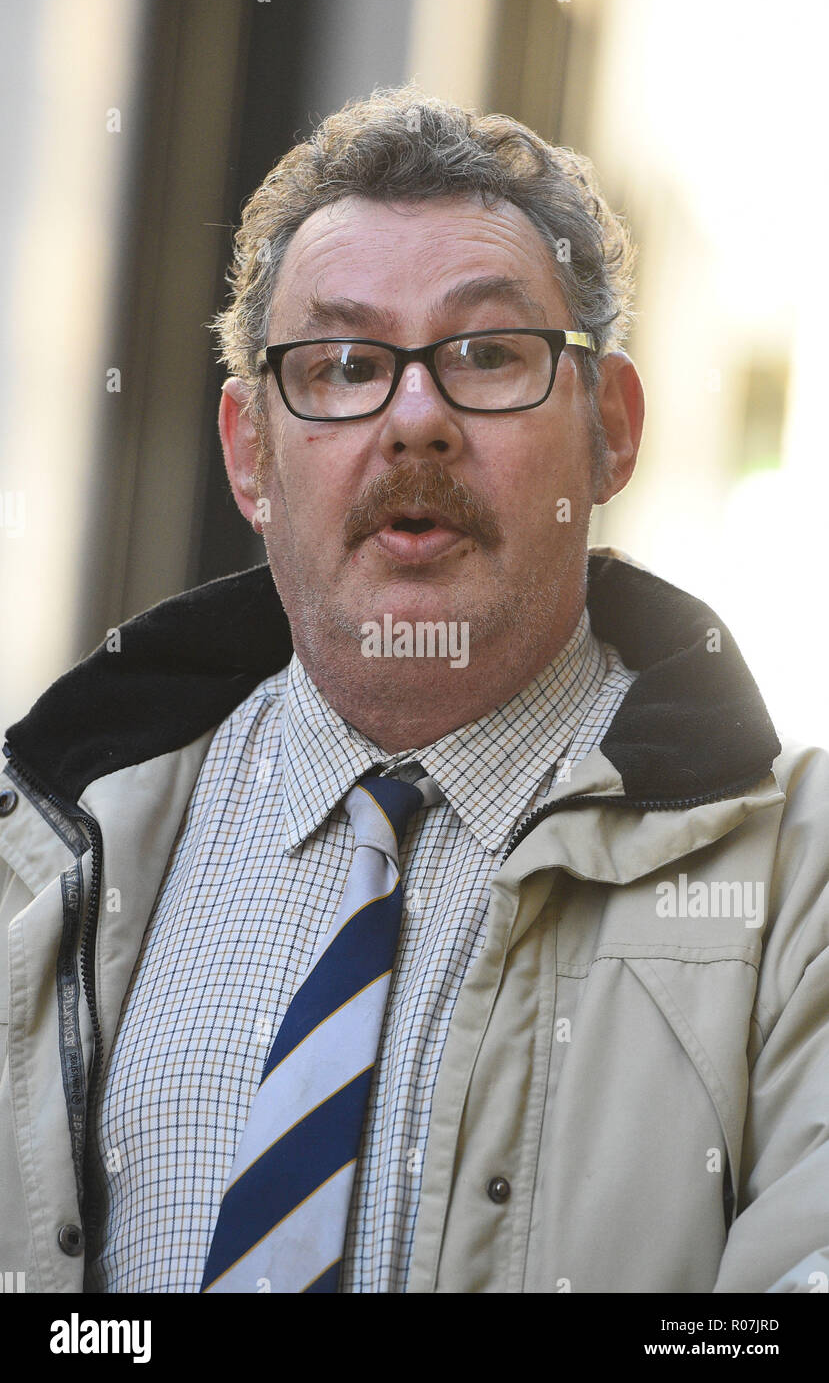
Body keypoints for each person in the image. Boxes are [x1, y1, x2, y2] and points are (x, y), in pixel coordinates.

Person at [1, 84, 827, 1296]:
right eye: (341, 365)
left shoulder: (798, 888)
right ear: (249, 452)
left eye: (488, 354)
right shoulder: (42, 865)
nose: (416, 419)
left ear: (610, 427)